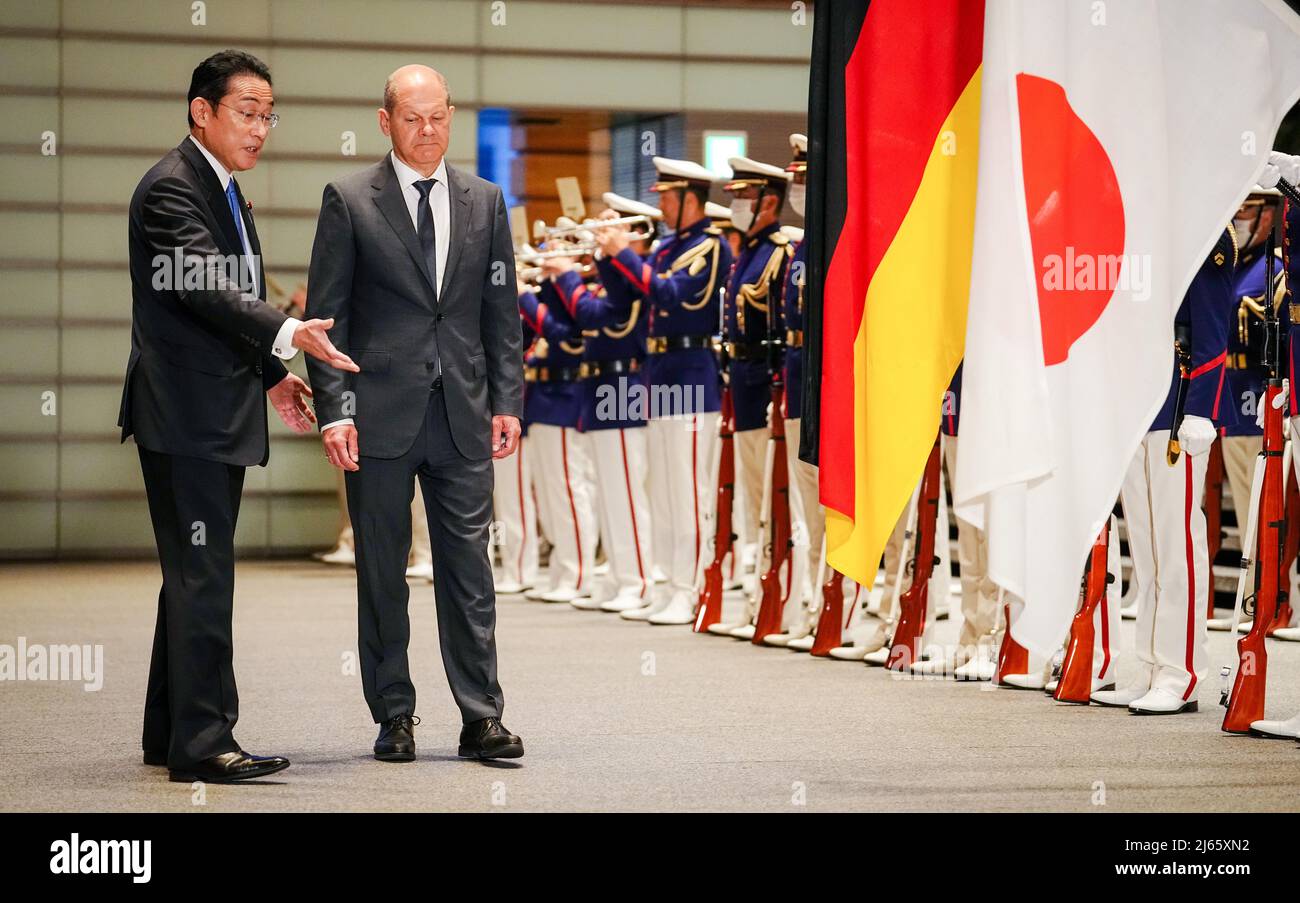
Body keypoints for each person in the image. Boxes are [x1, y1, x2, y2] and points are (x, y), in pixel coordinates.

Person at [120, 49, 356, 782]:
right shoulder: (172, 189)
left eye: (268, 115)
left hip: (208, 408)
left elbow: (227, 304)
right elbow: (204, 288)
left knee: (190, 574)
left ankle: (169, 731)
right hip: (185, 414)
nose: (260, 129)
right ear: (202, 111)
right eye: (247, 113)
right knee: (203, 575)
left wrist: (272, 375)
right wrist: (288, 335)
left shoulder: (221, 189)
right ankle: (203, 743)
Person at [304, 65, 525, 761]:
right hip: (377, 416)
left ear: (450, 116)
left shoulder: (485, 200)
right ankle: (393, 712)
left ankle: (481, 715)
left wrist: (508, 400)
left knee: (469, 569)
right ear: (385, 120)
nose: (426, 131)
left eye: (437, 118)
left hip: (462, 413)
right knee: (381, 569)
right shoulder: (348, 199)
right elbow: (326, 320)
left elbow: (501, 312)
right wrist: (335, 412)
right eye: (411, 119)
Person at [1091, 229, 1237, 714]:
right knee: (1150, 550)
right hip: (1138, 404)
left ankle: (1181, 673)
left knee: (1177, 545)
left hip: (1178, 405)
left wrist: (1202, 407)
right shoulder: (1140, 228)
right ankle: (1154, 665)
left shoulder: (1199, 230)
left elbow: (1214, 323)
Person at [597, 158, 734, 625]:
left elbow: (673, 295)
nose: (660, 204)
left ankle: (690, 589)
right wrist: (607, 256)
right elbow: (625, 301)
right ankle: (669, 584)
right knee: (662, 492)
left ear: (688, 199)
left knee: (688, 492)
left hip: (693, 375)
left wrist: (625, 254)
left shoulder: (709, 246)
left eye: (666, 197)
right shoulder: (670, 245)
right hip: (660, 374)